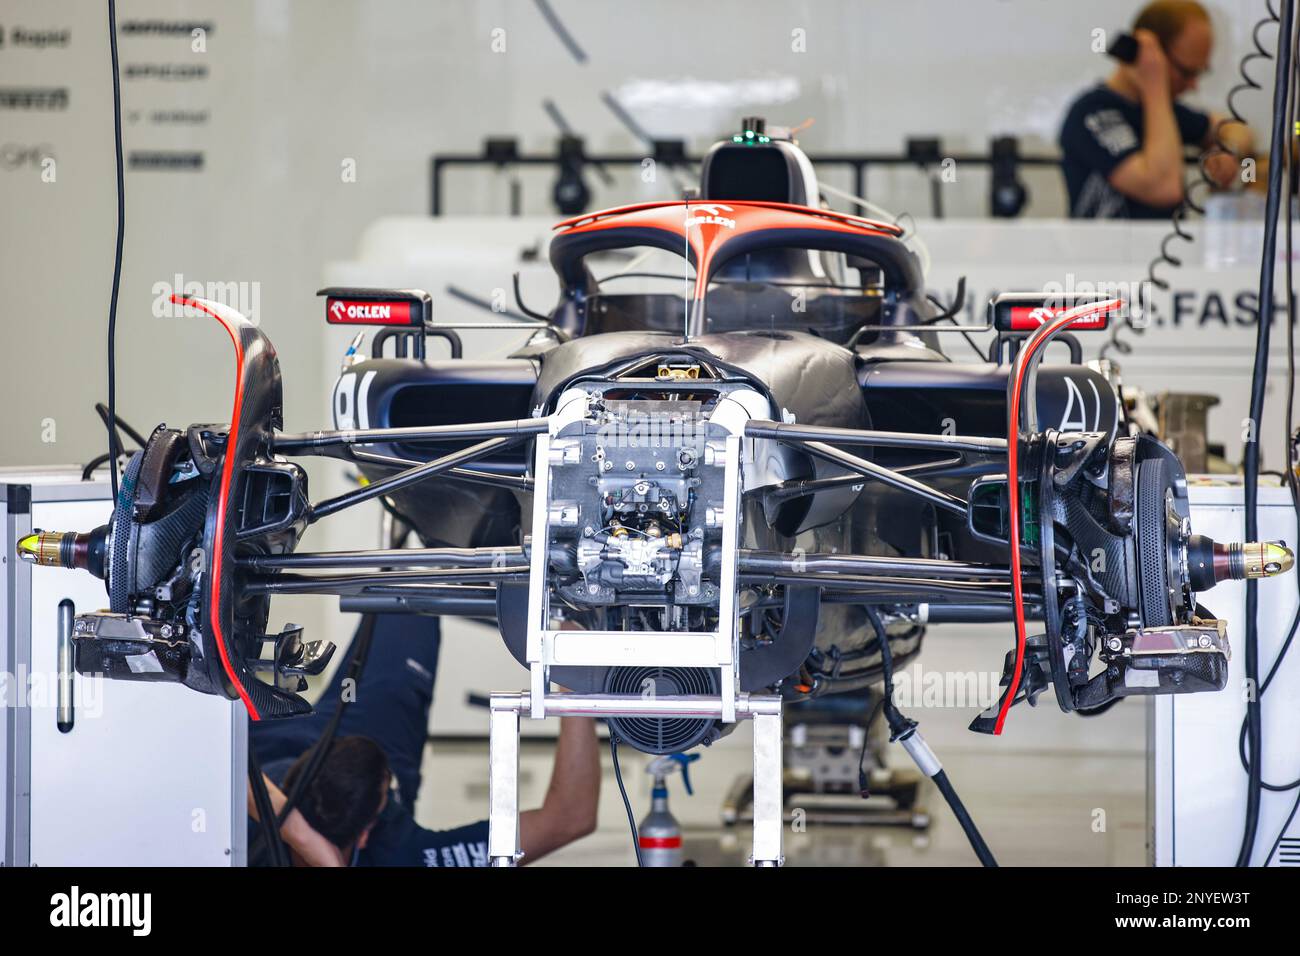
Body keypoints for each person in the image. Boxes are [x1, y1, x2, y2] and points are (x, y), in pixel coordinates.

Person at [247, 614, 600, 866]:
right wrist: (572, 666)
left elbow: (221, 766)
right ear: (368, 832)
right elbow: (570, 817)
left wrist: (299, 834)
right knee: (413, 595)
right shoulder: (404, 857)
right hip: (376, 733)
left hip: (267, 752)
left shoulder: (229, 836)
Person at [1058, 1, 1253, 218]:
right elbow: (1163, 188)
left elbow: (1237, 129)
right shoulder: (1092, 114)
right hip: (1103, 251)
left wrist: (1227, 149)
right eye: (1186, 73)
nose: (1193, 86)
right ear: (1150, 56)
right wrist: (1154, 83)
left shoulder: (1165, 113)